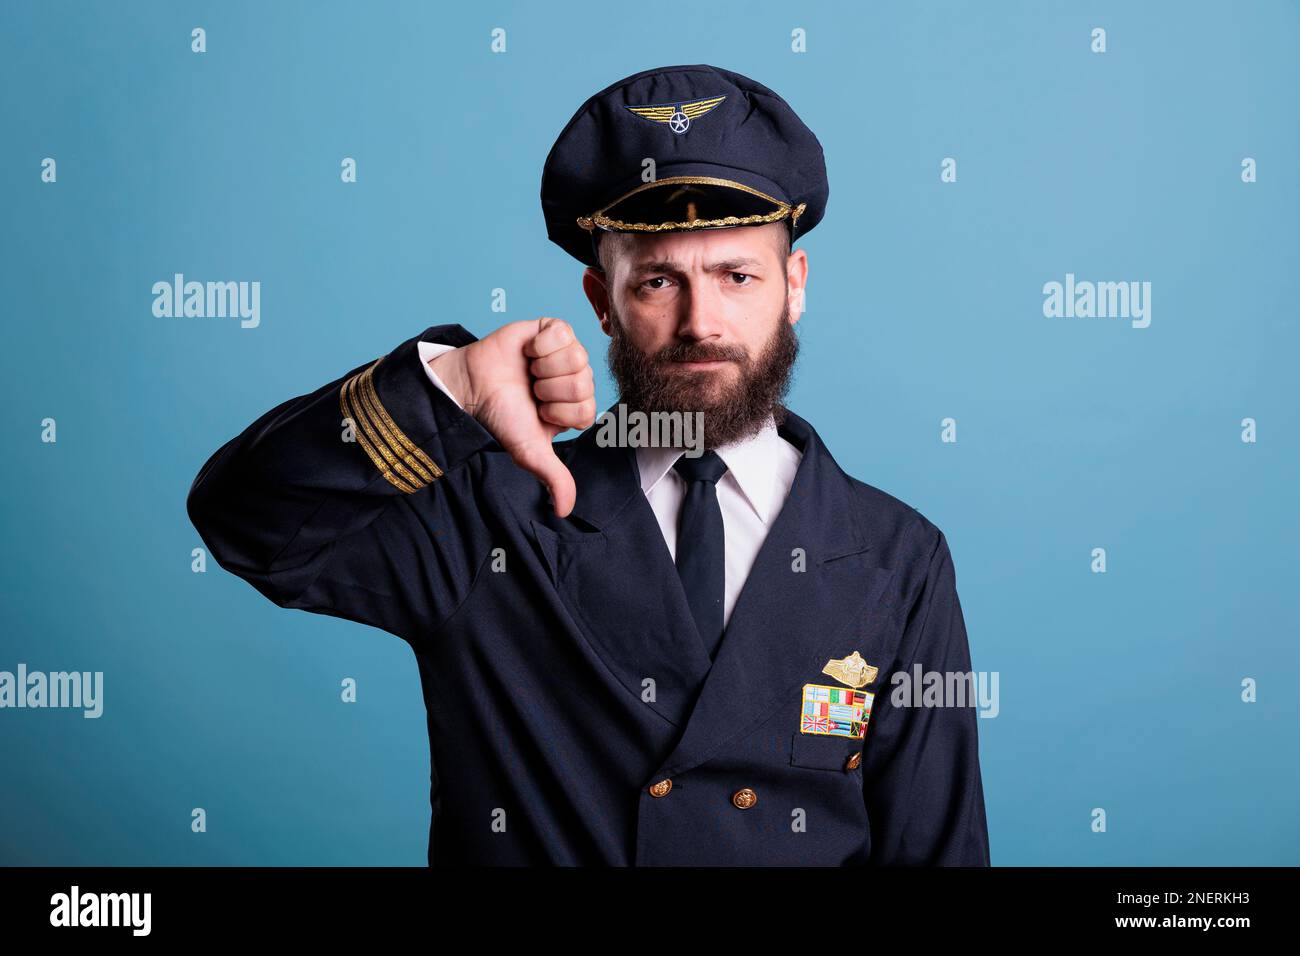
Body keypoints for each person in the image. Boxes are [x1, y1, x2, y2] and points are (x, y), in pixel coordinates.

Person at [186, 63, 991, 866]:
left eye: (737, 276)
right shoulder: (488, 511)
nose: (699, 322)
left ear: (794, 284)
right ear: (601, 300)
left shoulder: (898, 559)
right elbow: (248, 524)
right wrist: (447, 388)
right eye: (658, 281)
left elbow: (938, 851)